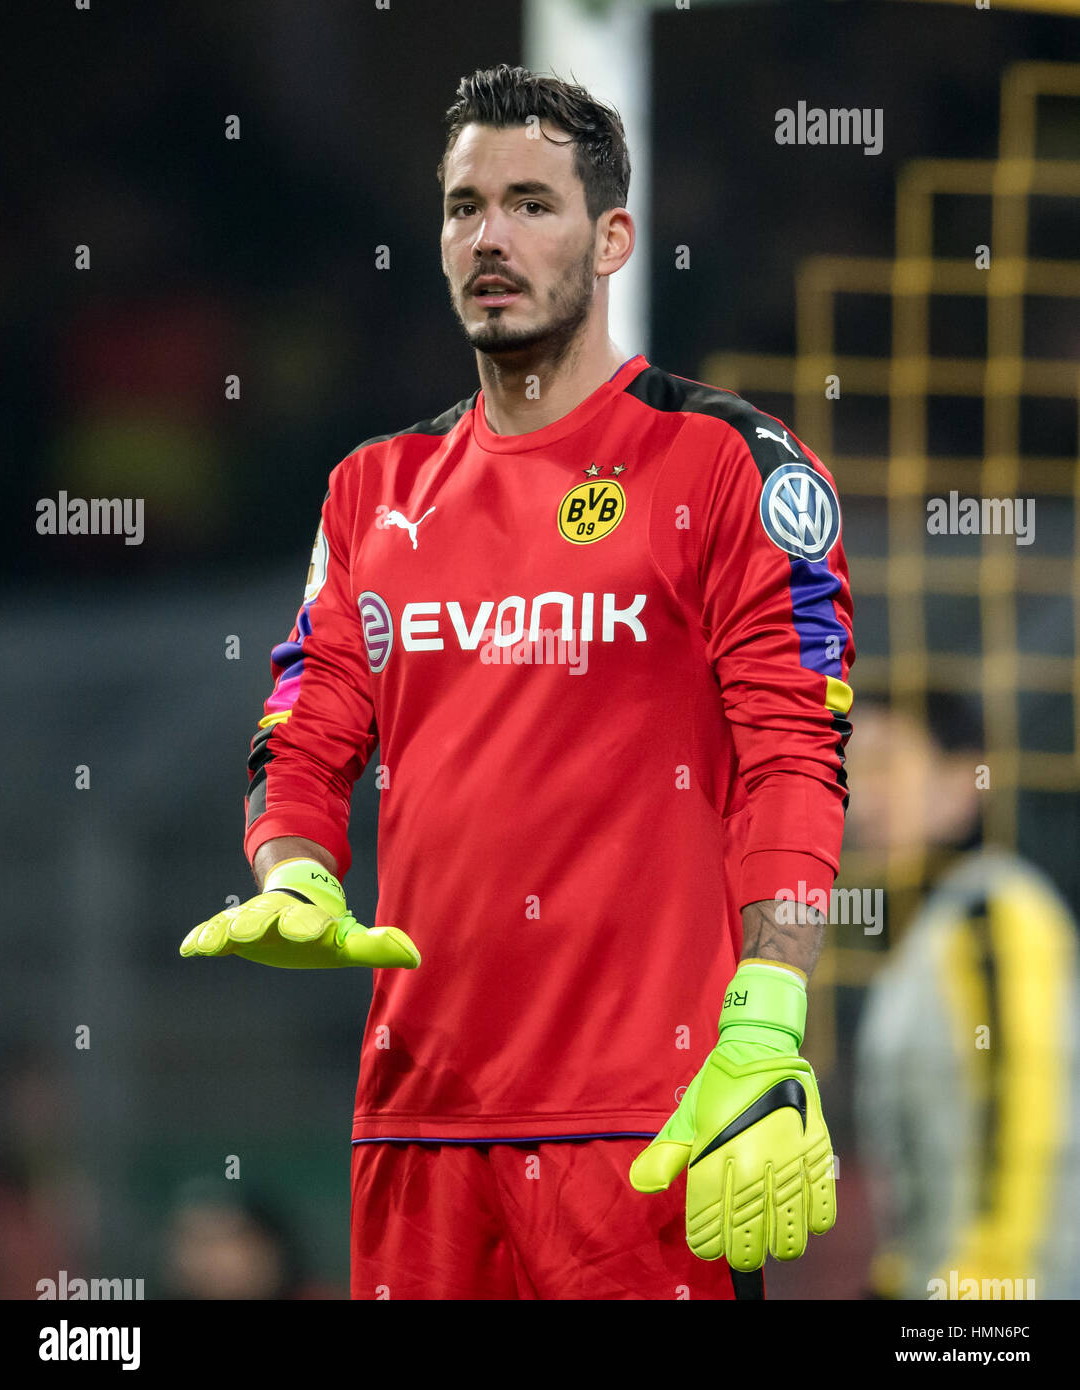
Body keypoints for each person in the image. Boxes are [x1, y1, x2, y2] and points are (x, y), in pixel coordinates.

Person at [181, 64, 855, 1300]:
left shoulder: (727, 467)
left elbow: (792, 751)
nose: (487, 236)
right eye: (462, 205)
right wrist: (295, 865)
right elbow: (307, 716)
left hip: (648, 1124)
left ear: (610, 239)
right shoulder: (371, 491)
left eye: (531, 203)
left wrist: (768, 1008)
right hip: (415, 1128)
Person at [852, 695, 1080, 1301]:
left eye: (884, 765)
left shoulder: (994, 911)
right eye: (851, 771)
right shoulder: (932, 932)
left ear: (961, 779)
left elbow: (1022, 1120)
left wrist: (981, 1293)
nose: (861, 800)